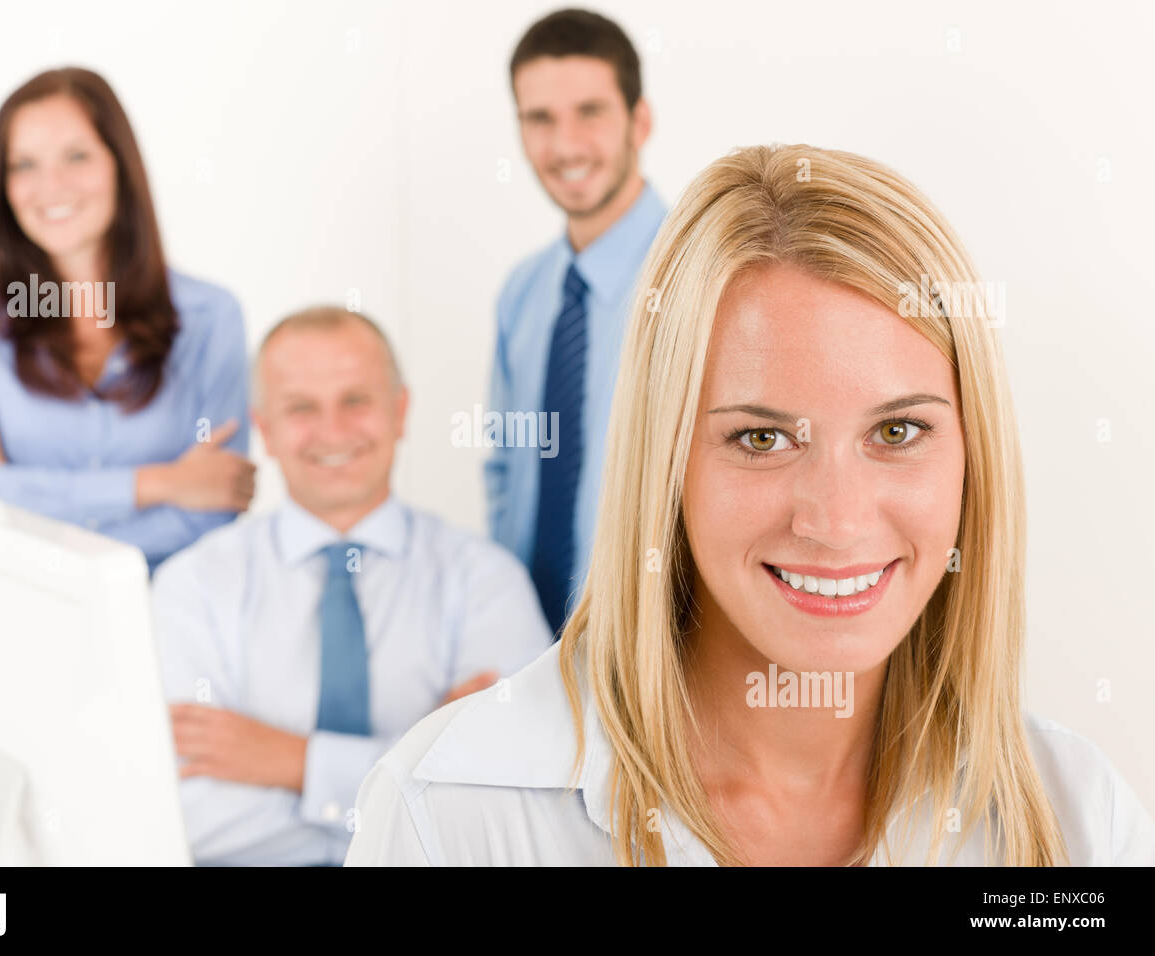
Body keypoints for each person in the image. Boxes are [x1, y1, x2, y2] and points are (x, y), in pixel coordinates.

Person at [345, 144, 1155, 866]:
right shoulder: (446, 817)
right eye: (763, 440)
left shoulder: (1082, 825)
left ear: (975, 457)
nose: (836, 523)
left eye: (899, 430)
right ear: (664, 464)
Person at [0, 67, 255, 867]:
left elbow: (214, 510)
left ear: (118, 166)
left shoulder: (210, 318)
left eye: (75, 156)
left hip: (144, 625)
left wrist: (18, 488)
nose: (48, 185)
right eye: (23, 165)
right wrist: (157, 479)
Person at [151, 306, 552, 866]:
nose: (333, 431)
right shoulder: (191, 587)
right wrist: (415, 775)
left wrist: (293, 763)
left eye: (356, 400)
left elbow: (515, 798)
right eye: (301, 408)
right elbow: (180, 818)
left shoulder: (486, 581)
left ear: (400, 411)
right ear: (264, 429)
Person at [487, 8, 667, 634]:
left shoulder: (703, 277)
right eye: (540, 119)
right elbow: (506, 468)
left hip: (651, 639)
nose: (564, 146)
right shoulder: (523, 292)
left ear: (638, 121)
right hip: (527, 647)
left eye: (590, 112)